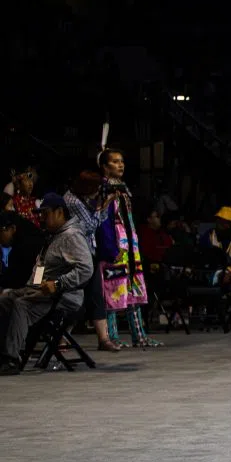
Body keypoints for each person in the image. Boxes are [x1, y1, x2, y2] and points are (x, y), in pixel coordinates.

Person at [0, 194, 93, 376]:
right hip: (42, 290)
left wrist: (58, 284)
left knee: (22, 306)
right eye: (40, 214)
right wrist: (30, 287)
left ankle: (12, 358)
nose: (41, 218)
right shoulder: (53, 236)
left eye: (45, 213)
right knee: (6, 299)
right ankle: (3, 352)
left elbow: (86, 269)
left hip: (63, 295)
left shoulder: (71, 236)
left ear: (59, 212)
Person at [97, 148, 161, 348]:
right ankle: (111, 337)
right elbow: (103, 221)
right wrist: (110, 248)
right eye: (115, 162)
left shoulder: (123, 189)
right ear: (105, 167)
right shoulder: (103, 190)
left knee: (132, 285)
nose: (120, 165)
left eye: (122, 161)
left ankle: (139, 335)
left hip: (129, 243)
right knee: (114, 288)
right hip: (115, 244)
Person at [64, 170, 120, 351]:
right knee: (74, 298)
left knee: (96, 294)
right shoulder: (71, 200)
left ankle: (103, 339)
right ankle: (61, 338)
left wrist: (103, 206)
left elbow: (99, 221)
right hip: (74, 254)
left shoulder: (86, 199)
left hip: (89, 253)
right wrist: (102, 207)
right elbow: (89, 226)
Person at [0, 212, 43, 292]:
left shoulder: (28, 243)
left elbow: (18, 280)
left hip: (38, 285)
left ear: (12, 228)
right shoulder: (22, 234)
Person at [200, 206, 231, 270]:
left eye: (224, 221)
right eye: (219, 219)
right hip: (213, 271)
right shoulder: (209, 234)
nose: (220, 223)